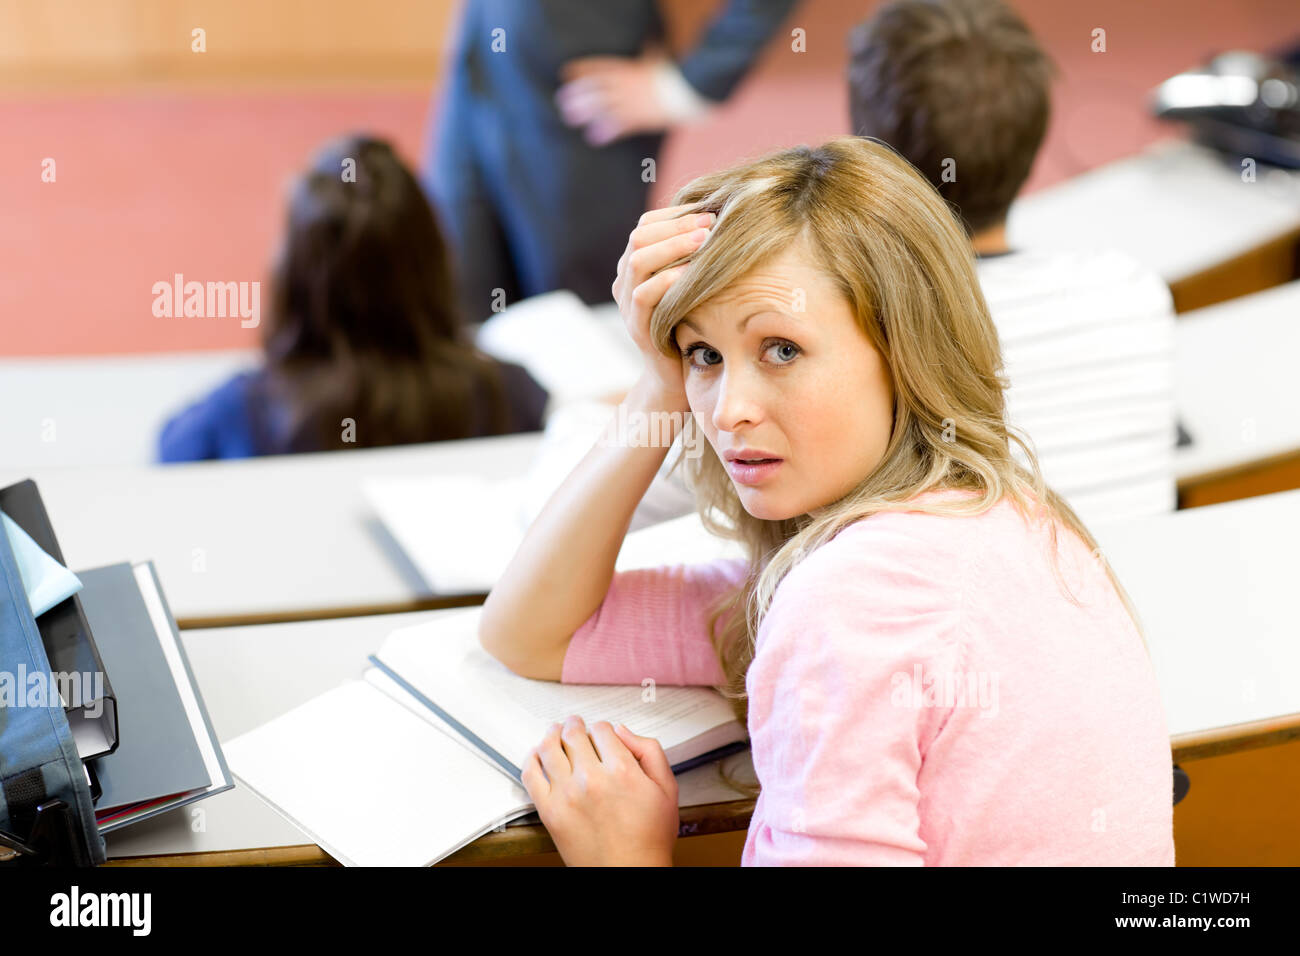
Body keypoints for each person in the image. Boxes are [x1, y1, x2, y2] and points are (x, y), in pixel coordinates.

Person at [477, 137, 1176, 866]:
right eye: (702, 354)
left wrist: (624, 860)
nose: (728, 410)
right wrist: (657, 386)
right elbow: (531, 633)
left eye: (782, 349)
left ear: (905, 353)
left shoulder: (851, 599)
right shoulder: (1017, 519)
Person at [848, 0, 1179, 526]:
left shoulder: (862, 331)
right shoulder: (1131, 288)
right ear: (1036, 140)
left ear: (869, 156)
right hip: (1138, 574)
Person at [158, 134, 548, 462]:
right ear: (434, 262)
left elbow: (169, 454)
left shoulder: (235, 418)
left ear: (292, 275)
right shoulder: (507, 395)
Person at [424, 0, 798, 327]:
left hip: (583, 90)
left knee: (579, 325)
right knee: (463, 297)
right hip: (479, 61)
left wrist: (690, 84)